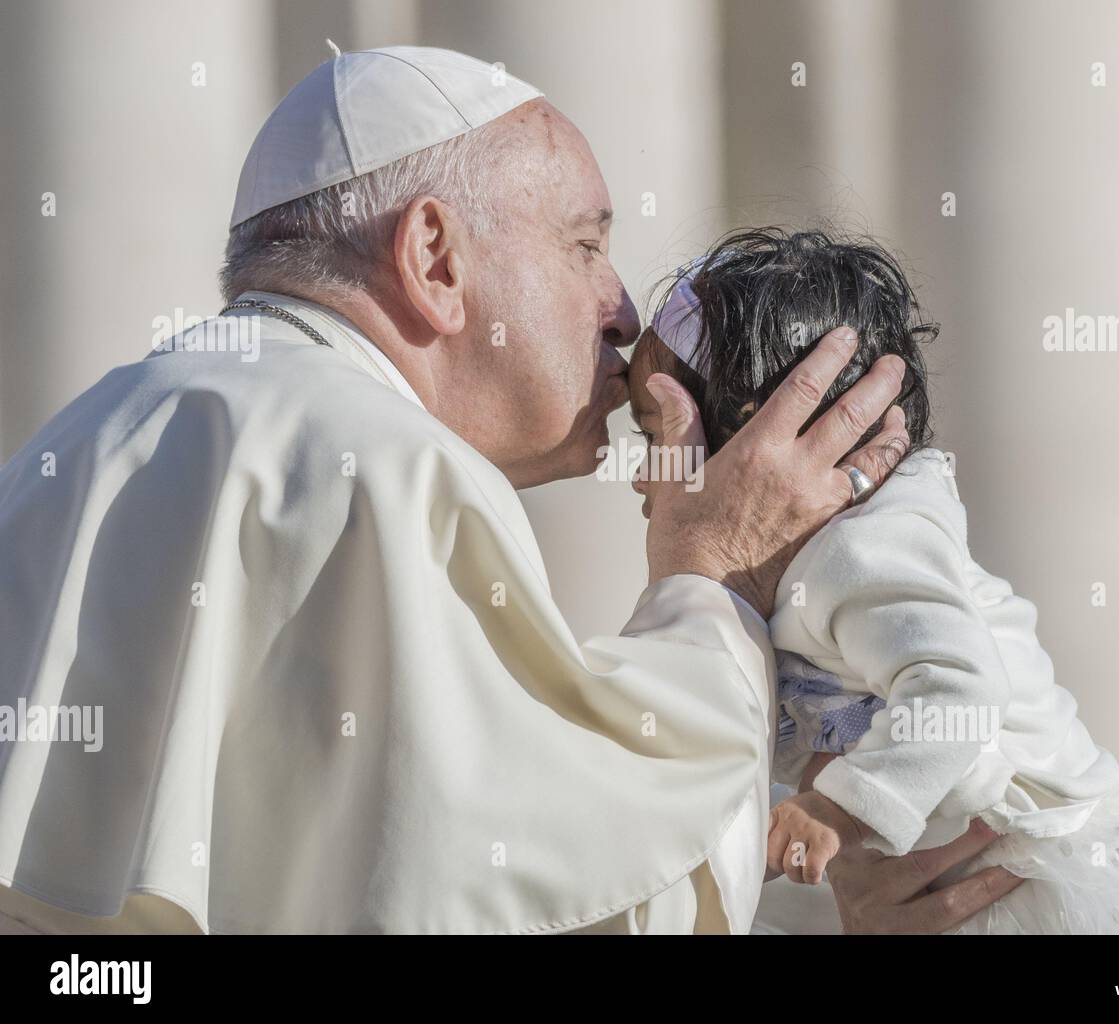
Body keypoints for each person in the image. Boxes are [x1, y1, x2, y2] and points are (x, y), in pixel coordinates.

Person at [0, 47, 1019, 934]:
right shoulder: (384, 466)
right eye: (584, 244)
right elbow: (537, 901)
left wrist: (809, 904)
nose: (622, 311)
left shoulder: (81, 441)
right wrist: (712, 575)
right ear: (435, 258)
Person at [629, 227, 1119, 933]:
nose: (646, 474)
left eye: (657, 436)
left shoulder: (861, 545)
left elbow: (958, 687)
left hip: (1038, 875)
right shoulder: (810, 559)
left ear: (760, 435)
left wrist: (836, 812)